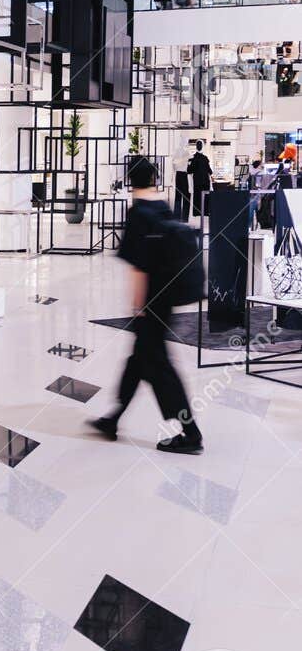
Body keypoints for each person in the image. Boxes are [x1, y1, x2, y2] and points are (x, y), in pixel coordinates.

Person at [89, 158, 203, 455]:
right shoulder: (163, 206)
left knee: (160, 369)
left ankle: (191, 433)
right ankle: (113, 420)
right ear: (154, 178)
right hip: (167, 299)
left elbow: (139, 267)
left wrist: (138, 305)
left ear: (130, 179)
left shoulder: (138, 213)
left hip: (150, 302)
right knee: (138, 361)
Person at [188, 139, 213, 221]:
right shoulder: (205, 158)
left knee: (197, 198)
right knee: (205, 198)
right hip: (205, 181)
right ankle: (205, 212)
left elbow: (189, 171)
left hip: (197, 182)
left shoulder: (193, 158)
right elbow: (210, 171)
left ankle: (197, 212)